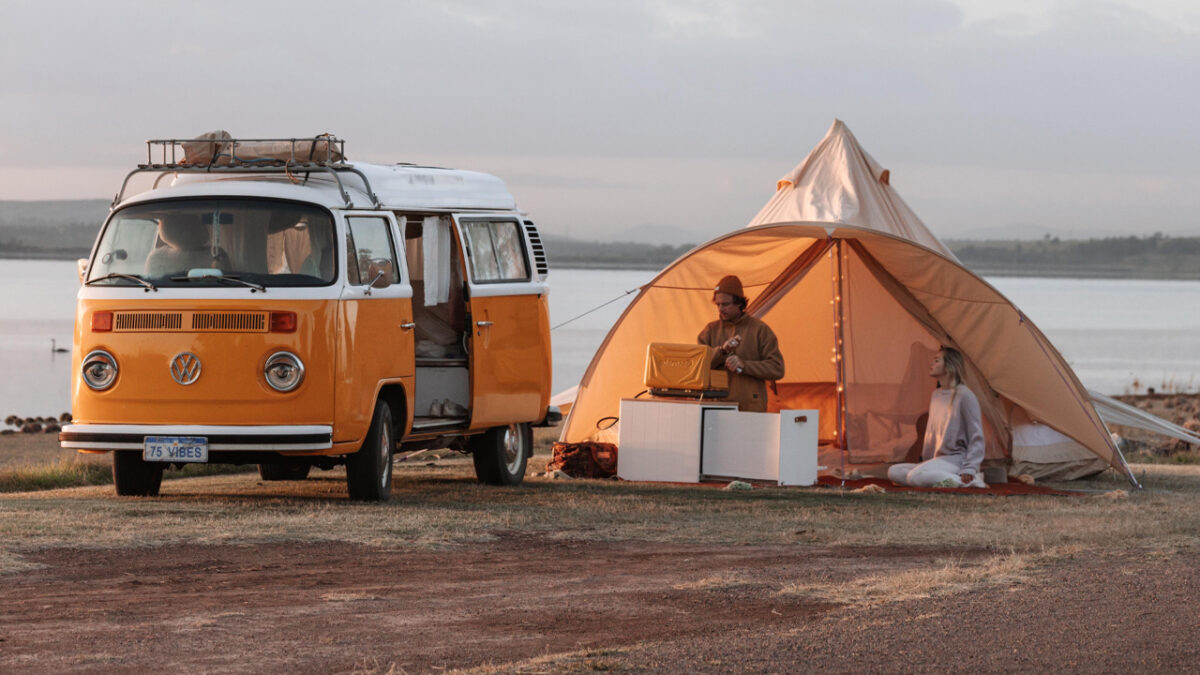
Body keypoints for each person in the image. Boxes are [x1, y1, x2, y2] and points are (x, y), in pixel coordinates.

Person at [887, 346, 987, 488]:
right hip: (938, 460)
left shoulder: (965, 395)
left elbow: (976, 436)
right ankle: (943, 477)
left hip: (956, 460)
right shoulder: (936, 395)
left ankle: (970, 481)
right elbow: (931, 434)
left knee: (915, 477)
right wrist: (927, 462)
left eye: (937, 360)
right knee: (894, 471)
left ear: (949, 365)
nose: (931, 364)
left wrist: (970, 467)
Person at [696, 275, 784, 413]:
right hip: (716, 408)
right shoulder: (709, 330)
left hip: (751, 408)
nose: (720, 309)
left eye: (725, 304)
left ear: (739, 303)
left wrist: (744, 365)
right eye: (718, 304)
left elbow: (777, 369)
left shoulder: (760, 330)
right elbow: (697, 366)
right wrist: (721, 351)